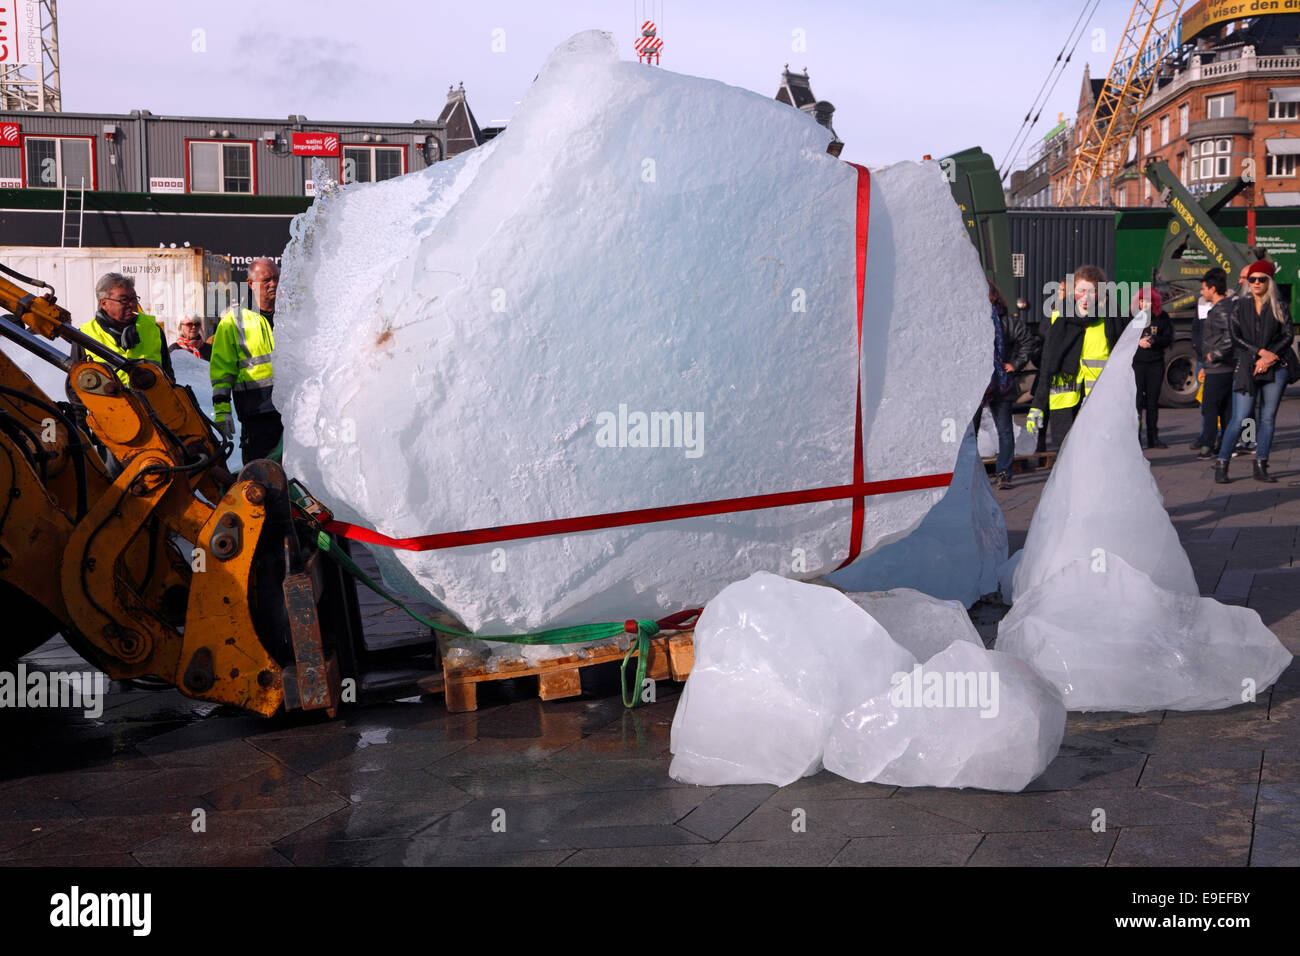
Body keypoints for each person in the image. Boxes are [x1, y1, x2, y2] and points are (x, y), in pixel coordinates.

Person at [1214, 259, 1295, 484]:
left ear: (1269, 281)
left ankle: (1261, 464)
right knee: (1239, 418)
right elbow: (1236, 337)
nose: (1257, 282)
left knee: (1267, 418)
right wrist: (1261, 353)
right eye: (1252, 279)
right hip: (1247, 367)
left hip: (1275, 368)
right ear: (1248, 282)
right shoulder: (1239, 306)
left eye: (1261, 279)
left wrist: (1270, 357)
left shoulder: (1280, 305)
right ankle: (1222, 463)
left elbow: (1288, 335)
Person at [1026, 265, 1123, 444]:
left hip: (1100, 398)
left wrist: (1130, 403)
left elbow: (1123, 360)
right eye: (1080, 291)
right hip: (1065, 402)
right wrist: (1037, 406)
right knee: (1067, 457)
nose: (1085, 298)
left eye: (1092, 292)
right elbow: (1047, 362)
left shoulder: (1112, 318)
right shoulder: (1060, 317)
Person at [211, 257, 282, 462]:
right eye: (267, 279)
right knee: (260, 480)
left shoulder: (292, 314)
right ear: (250, 284)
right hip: (258, 414)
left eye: (277, 278)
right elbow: (222, 371)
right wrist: (222, 410)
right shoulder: (233, 321)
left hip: (294, 411)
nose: (274, 284)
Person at [973, 279, 1030, 489]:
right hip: (977, 383)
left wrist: (1014, 364)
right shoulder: (969, 318)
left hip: (1000, 382)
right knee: (971, 432)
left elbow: (1027, 341)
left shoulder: (1006, 319)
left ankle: (1004, 473)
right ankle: (972, 474)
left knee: (1004, 430)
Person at [72, 272, 174, 384]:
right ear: (104, 303)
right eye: (124, 300)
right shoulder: (84, 336)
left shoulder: (153, 329)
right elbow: (75, 388)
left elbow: (169, 377)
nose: (132, 304)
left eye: (134, 299)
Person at [1195, 268, 1236, 462]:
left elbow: (1229, 338)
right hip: (1220, 367)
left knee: (1209, 407)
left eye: (1204, 289)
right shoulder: (1224, 308)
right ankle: (1224, 444)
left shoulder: (1221, 310)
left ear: (1212, 289)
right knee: (1224, 408)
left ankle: (1207, 445)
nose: (1202, 292)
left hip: (1220, 368)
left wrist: (1213, 356)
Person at [1132, 288, 1173, 449]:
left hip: (1155, 364)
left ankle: (1153, 438)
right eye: (1142, 301)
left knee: (1152, 402)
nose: (1145, 304)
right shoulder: (1132, 317)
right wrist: (1137, 341)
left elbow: (1168, 338)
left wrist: (1154, 340)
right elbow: (1123, 339)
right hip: (1137, 364)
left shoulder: (1162, 318)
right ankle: (1135, 438)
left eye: (1148, 301)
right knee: (1136, 403)